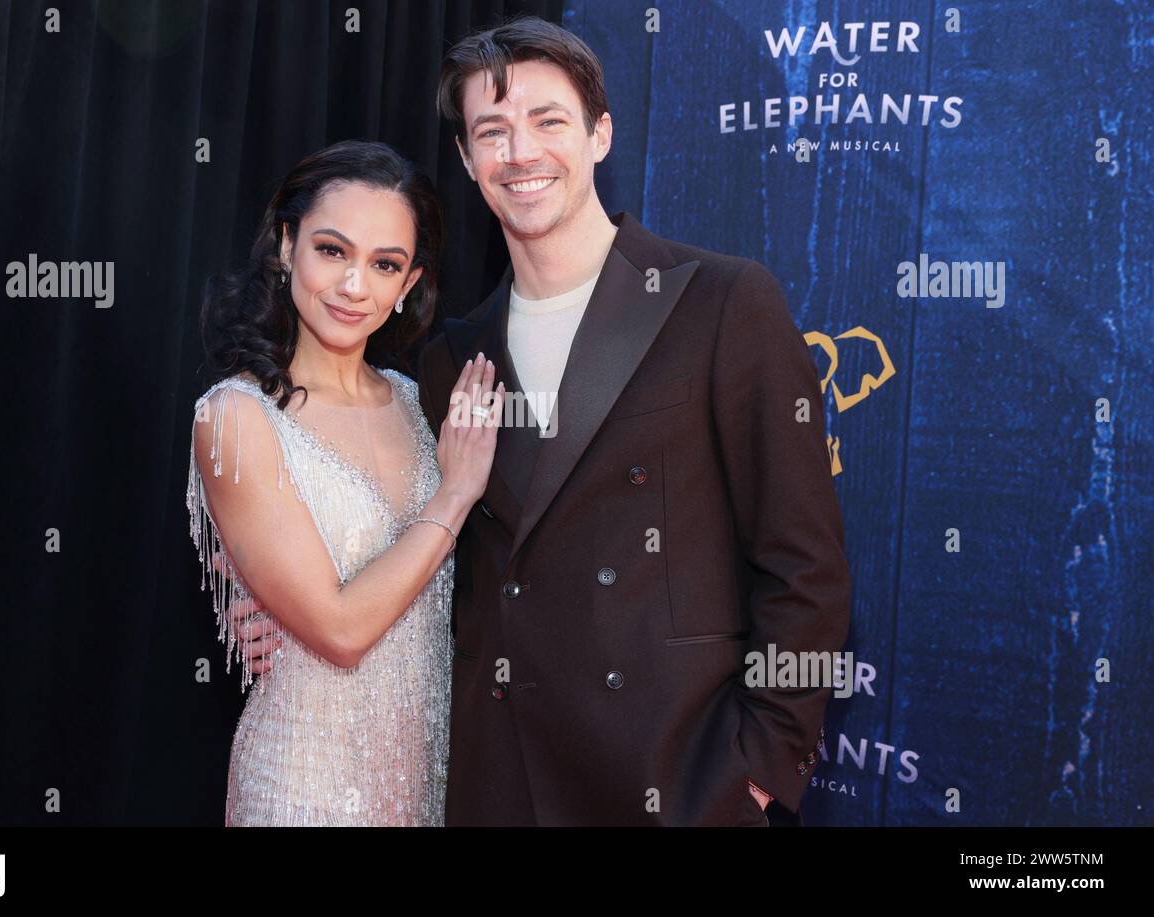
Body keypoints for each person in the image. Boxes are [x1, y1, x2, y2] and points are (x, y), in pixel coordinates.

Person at [244, 17, 852, 827]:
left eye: (547, 121)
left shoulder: (722, 302)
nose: (520, 152)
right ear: (467, 160)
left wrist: (760, 770)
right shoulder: (449, 357)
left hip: (677, 786)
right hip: (502, 787)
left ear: (601, 134)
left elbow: (804, 566)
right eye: (491, 130)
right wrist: (283, 603)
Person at [186, 139, 502, 826]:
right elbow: (340, 630)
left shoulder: (420, 405)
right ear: (286, 244)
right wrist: (454, 494)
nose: (355, 285)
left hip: (427, 783)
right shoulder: (237, 418)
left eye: (384, 264)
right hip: (304, 786)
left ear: (408, 284)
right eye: (333, 250)